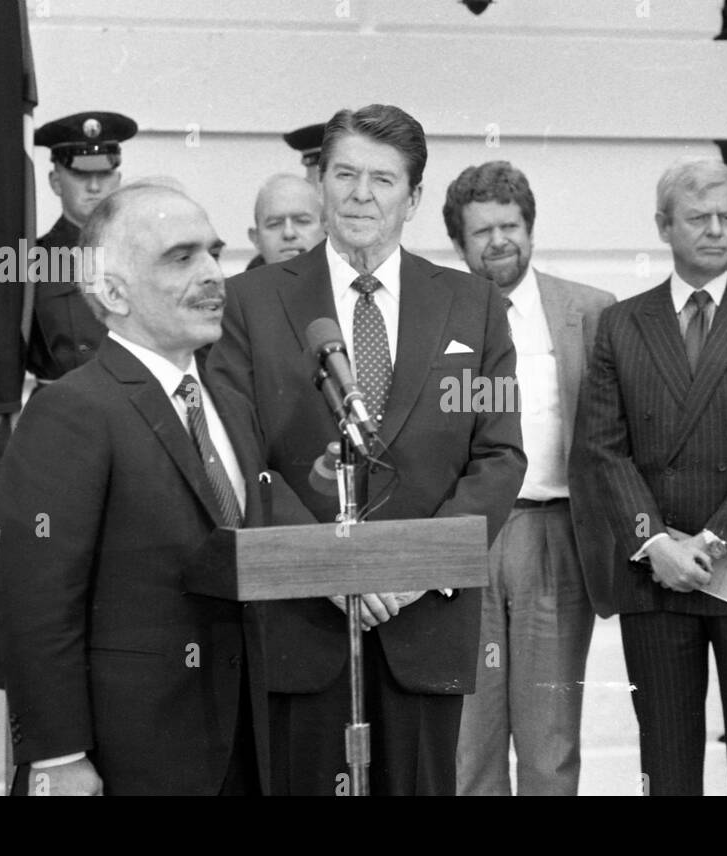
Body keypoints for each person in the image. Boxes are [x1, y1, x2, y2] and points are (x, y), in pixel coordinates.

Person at [208, 104, 526, 796]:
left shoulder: (473, 305)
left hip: (426, 621)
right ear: (319, 182)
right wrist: (335, 566)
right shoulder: (248, 303)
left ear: (412, 199)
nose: (359, 194)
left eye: (382, 180)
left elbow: (498, 457)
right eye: (344, 173)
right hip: (301, 619)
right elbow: (238, 455)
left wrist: (410, 567)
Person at [0, 183, 266, 795]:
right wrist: (57, 757)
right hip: (130, 757)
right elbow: (35, 604)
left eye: (214, 252)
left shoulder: (234, 404)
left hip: (248, 747)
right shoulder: (72, 410)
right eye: (181, 257)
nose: (215, 274)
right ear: (111, 292)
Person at [572, 156, 727, 795]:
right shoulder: (621, 324)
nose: (716, 230)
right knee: (668, 763)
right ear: (663, 226)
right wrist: (656, 543)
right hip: (654, 576)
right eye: (698, 218)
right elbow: (602, 447)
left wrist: (708, 544)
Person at [441, 160, 615, 796]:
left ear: (531, 228)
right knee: (469, 742)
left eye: (509, 224)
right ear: (459, 245)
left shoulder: (590, 312)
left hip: (556, 537)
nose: (498, 241)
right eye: (481, 230)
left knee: (549, 742)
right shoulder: (434, 316)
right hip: (465, 540)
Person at [29, 111, 137, 381]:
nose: (94, 186)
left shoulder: (143, 253)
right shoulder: (27, 261)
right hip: (61, 410)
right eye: (80, 174)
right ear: (55, 182)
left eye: (104, 173)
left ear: (118, 179)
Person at [244, 174, 325, 270]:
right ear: (256, 239)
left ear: (328, 231)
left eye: (302, 221)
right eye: (274, 224)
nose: (288, 233)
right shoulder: (234, 284)